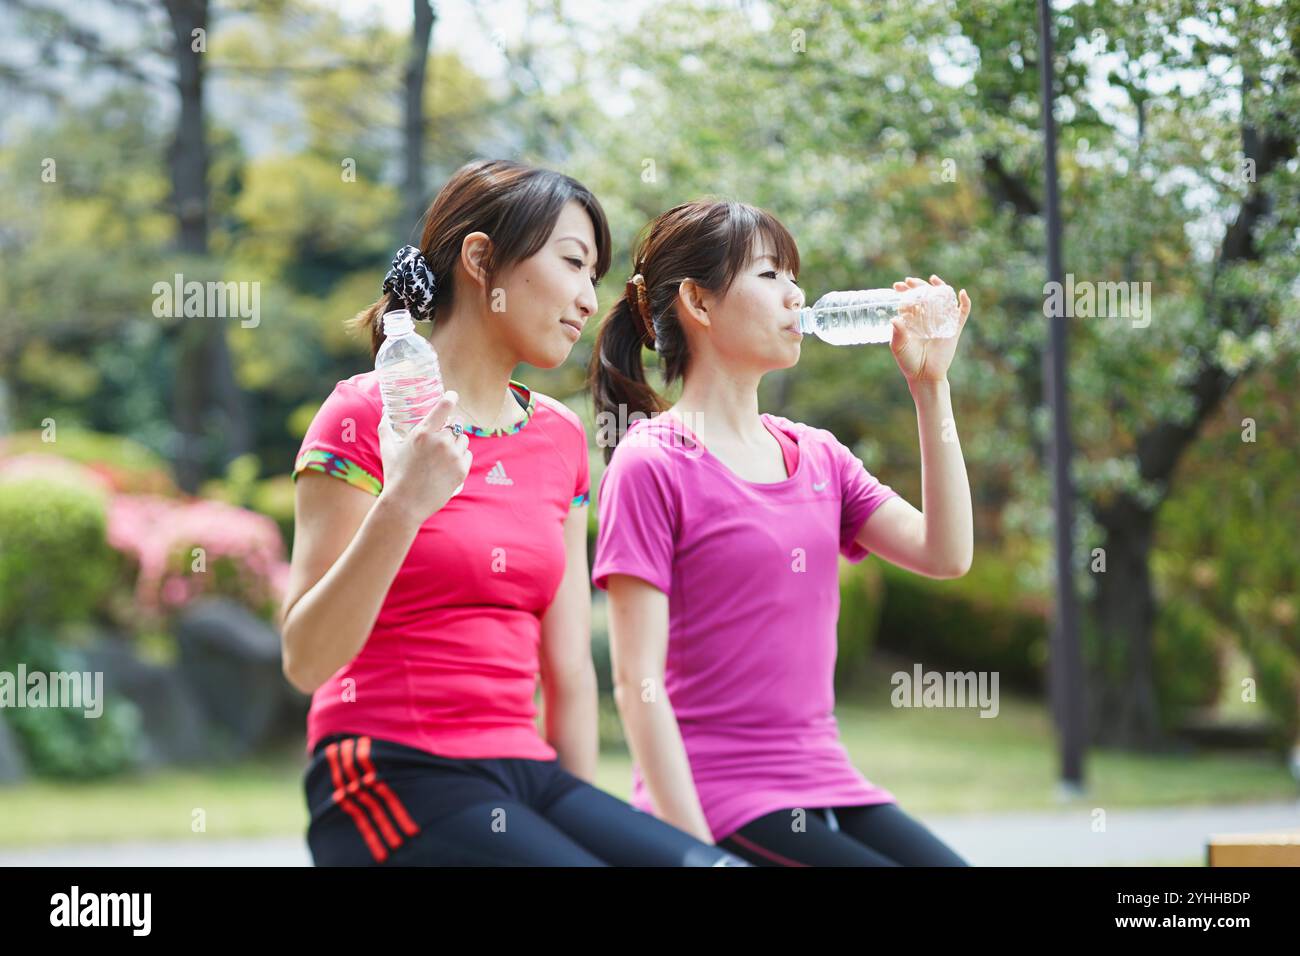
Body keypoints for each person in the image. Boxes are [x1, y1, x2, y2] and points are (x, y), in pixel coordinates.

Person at [280, 160, 748, 866]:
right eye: (572, 264)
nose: (589, 300)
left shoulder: (558, 437)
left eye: (594, 276)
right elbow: (307, 660)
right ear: (480, 260)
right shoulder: (365, 414)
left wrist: (572, 820)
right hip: (389, 771)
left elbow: (568, 670)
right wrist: (403, 505)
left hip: (526, 777)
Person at [588, 199, 973, 866]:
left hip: (828, 780)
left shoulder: (820, 456)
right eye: (770, 276)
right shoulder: (651, 463)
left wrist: (931, 389)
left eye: (793, 276)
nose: (797, 295)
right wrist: (694, 853)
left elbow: (946, 553)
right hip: (720, 797)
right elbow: (636, 682)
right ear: (699, 305)